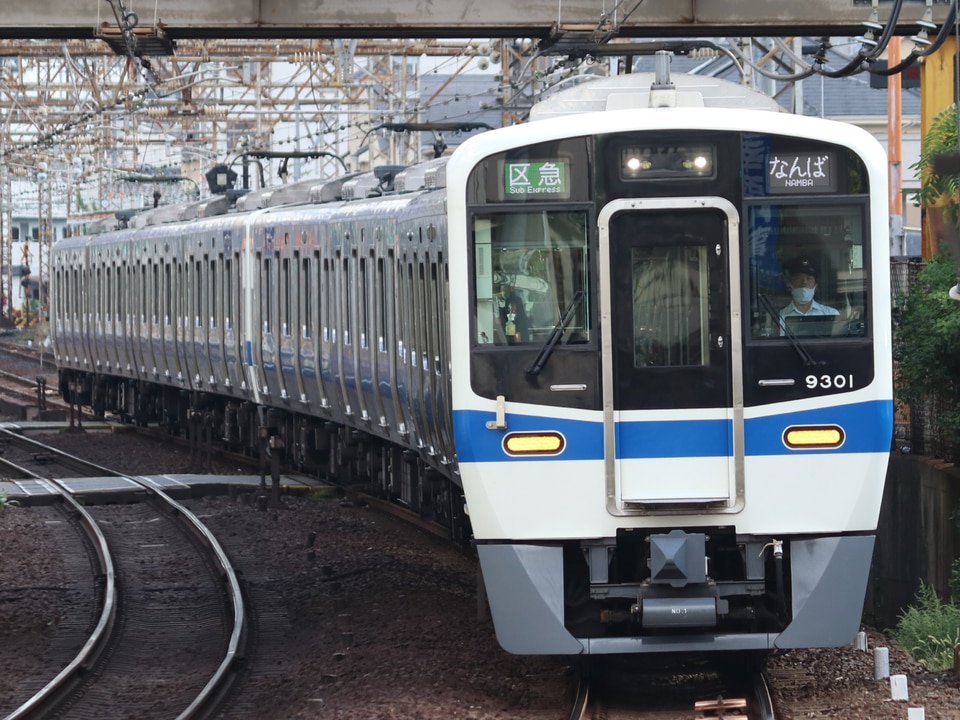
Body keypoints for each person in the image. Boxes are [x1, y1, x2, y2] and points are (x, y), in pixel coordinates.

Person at [778, 256, 838, 334]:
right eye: (799, 278)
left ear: (816, 286)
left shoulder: (831, 313)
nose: (804, 282)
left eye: (809, 278)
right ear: (790, 284)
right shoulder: (780, 316)